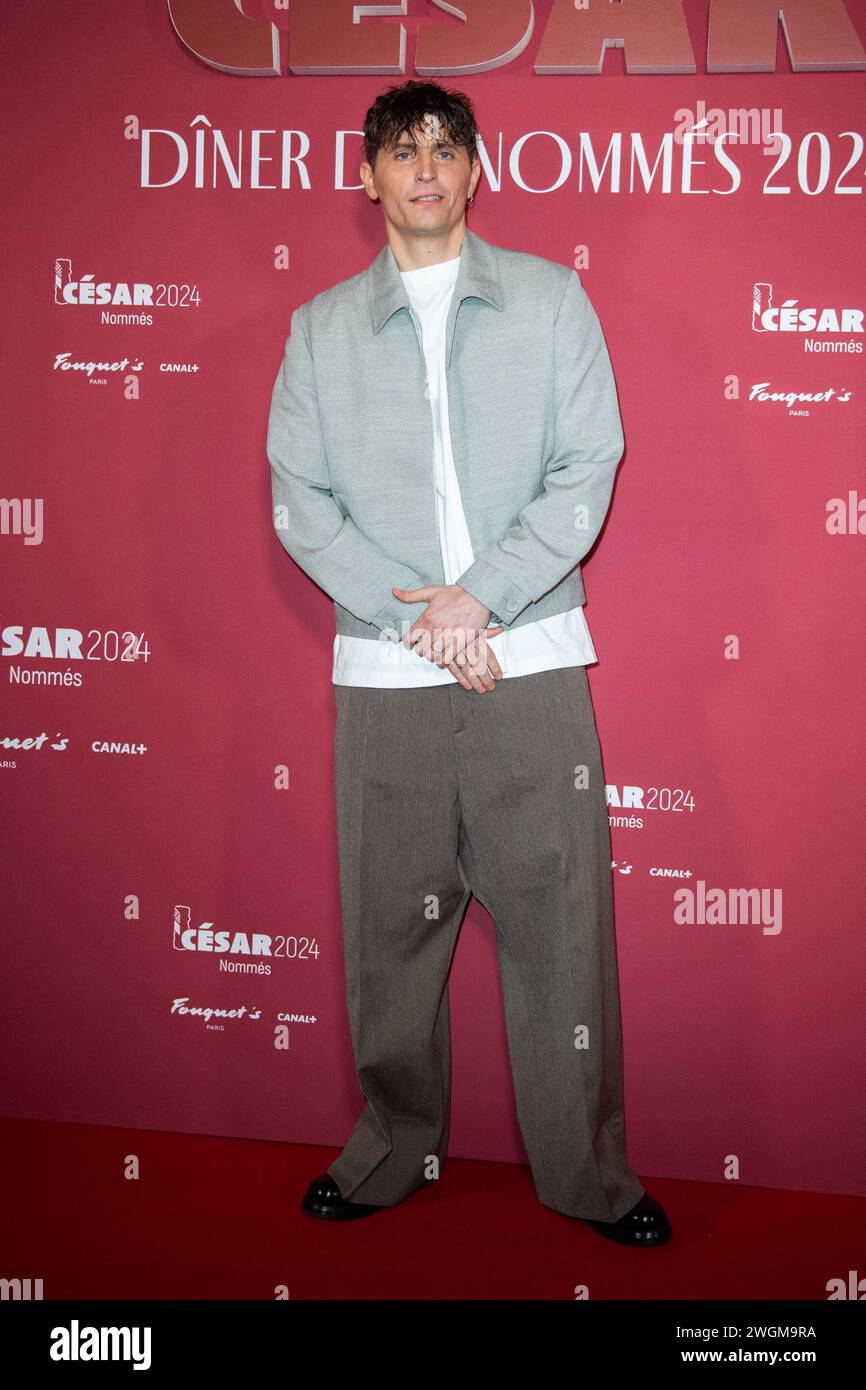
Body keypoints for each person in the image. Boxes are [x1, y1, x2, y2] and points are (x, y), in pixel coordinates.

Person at [267, 79, 671, 1248]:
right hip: (389, 677)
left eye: (446, 147)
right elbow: (303, 505)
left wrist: (482, 598)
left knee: (559, 931)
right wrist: (427, 626)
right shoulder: (318, 330)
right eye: (401, 151)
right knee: (389, 929)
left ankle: (590, 1176)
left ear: (476, 169)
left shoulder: (550, 302)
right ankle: (392, 1148)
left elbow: (588, 461)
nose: (425, 167)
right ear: (369, 178)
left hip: (531, 663)